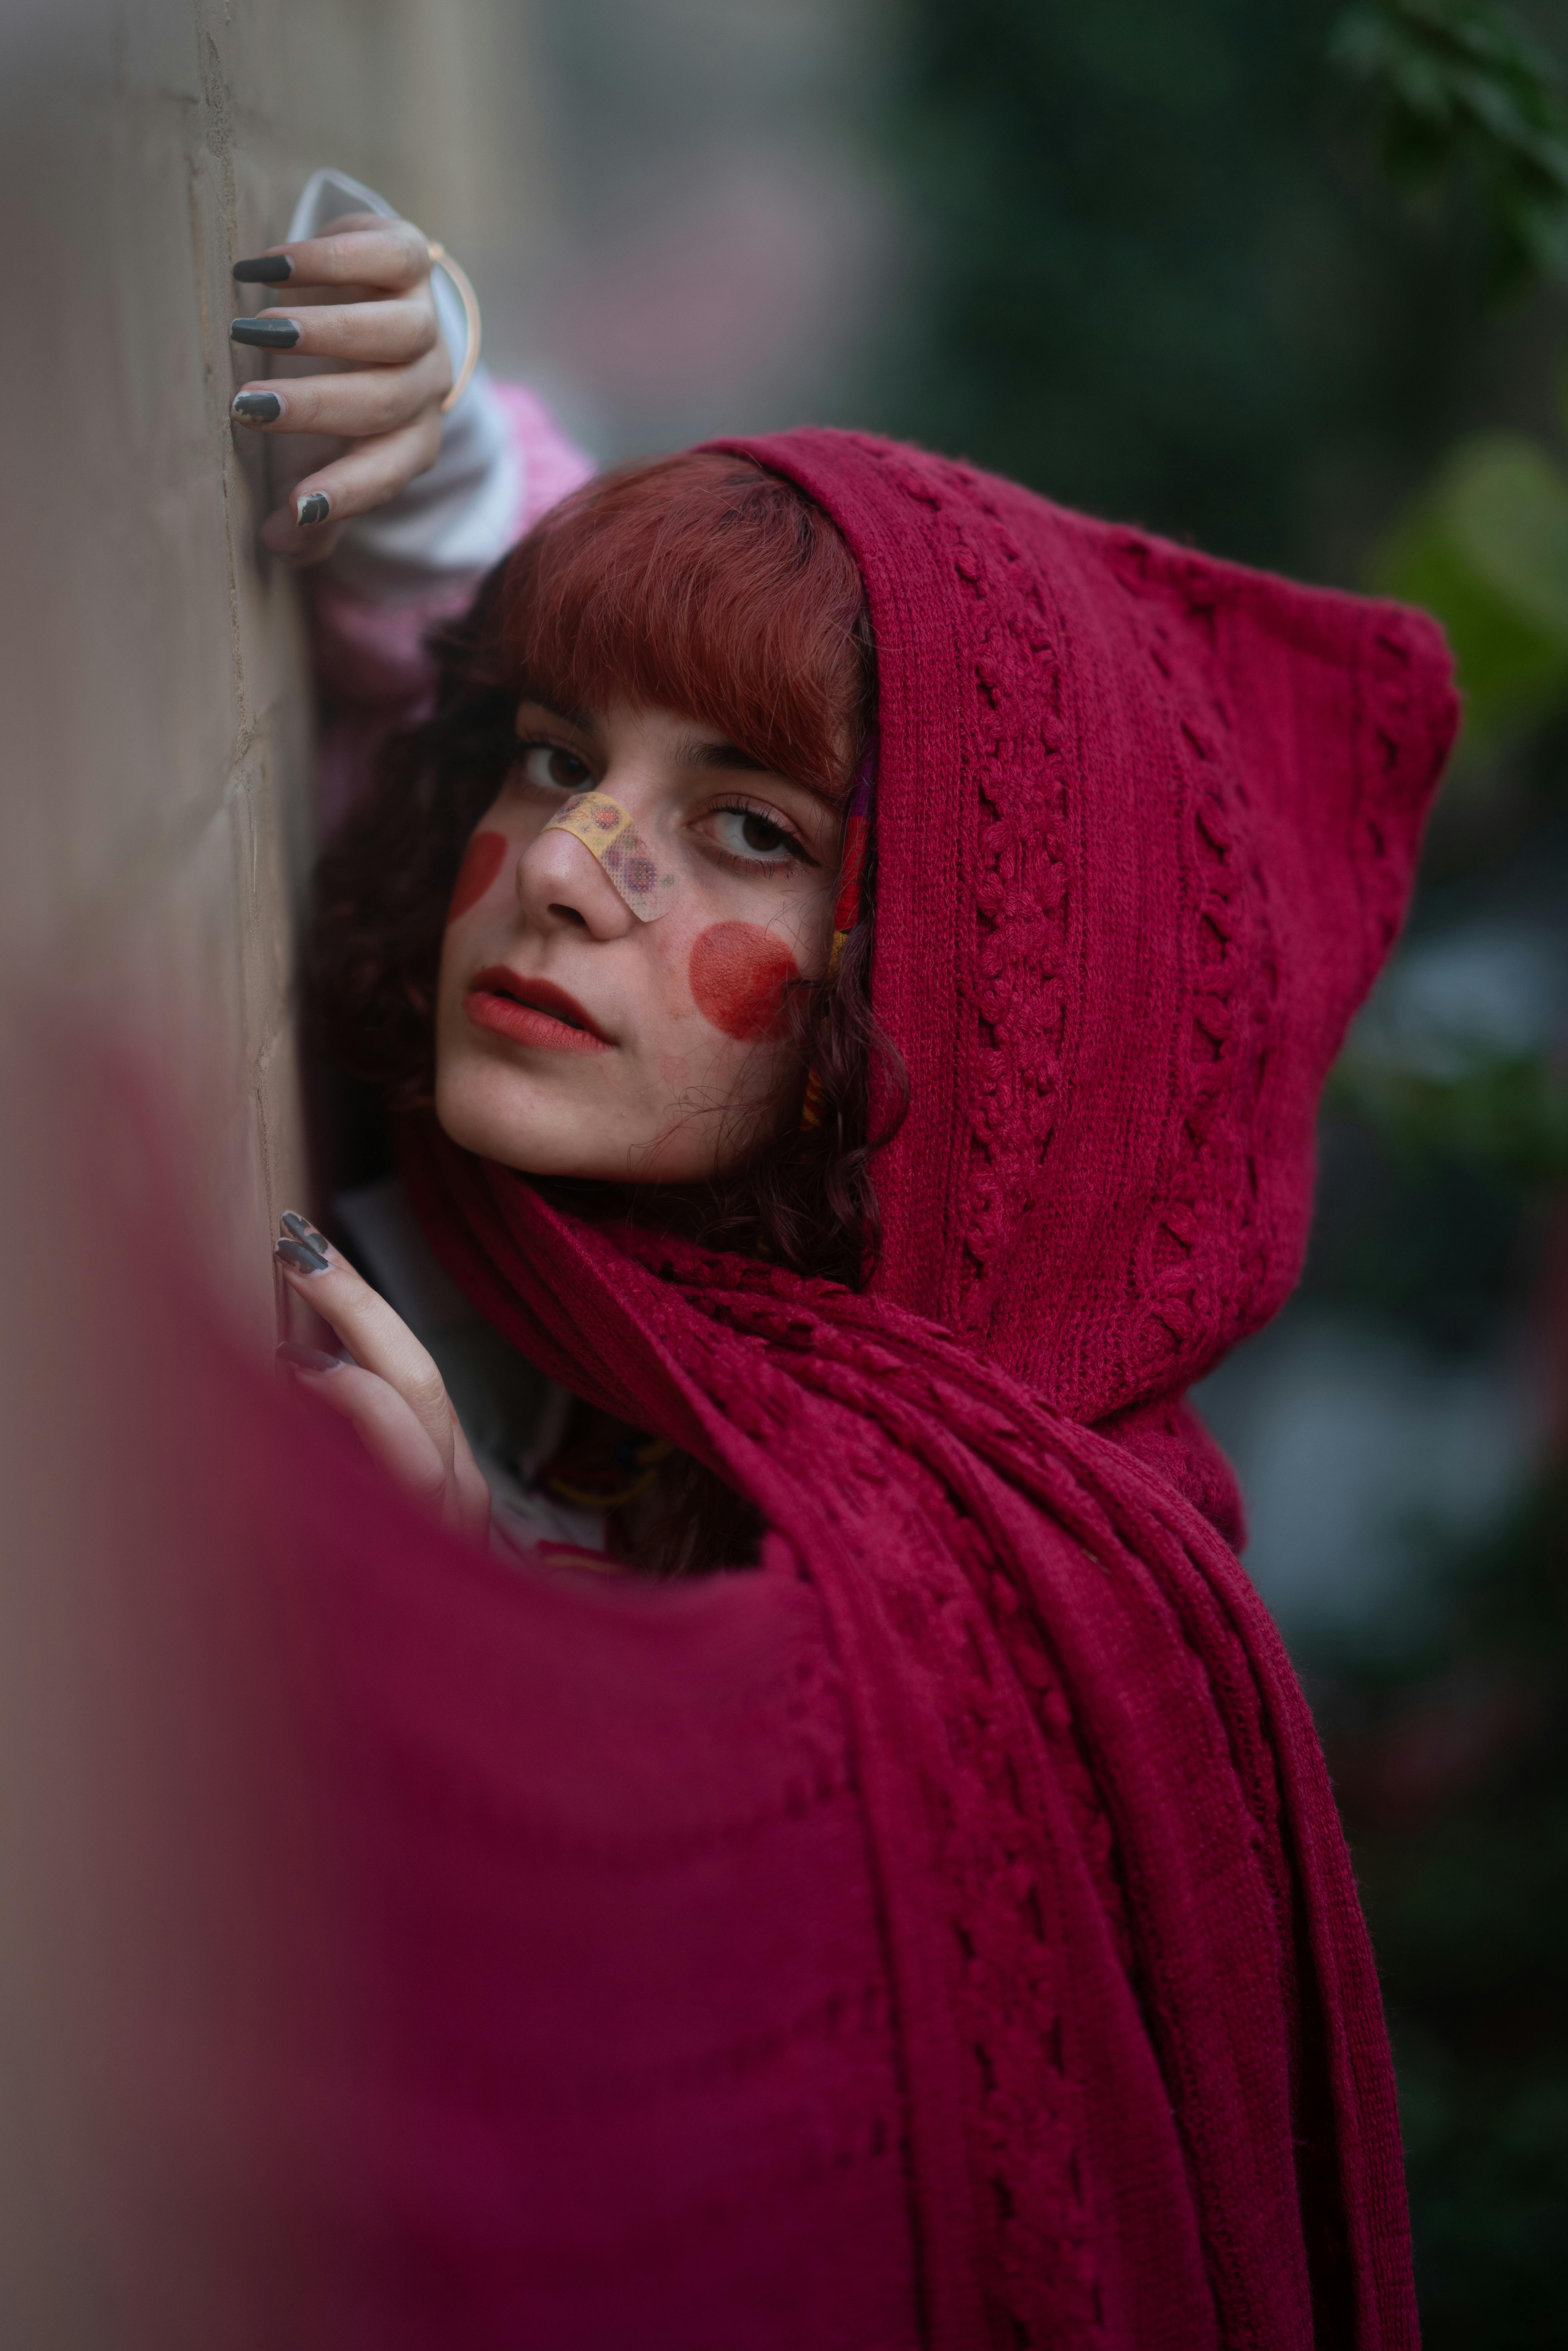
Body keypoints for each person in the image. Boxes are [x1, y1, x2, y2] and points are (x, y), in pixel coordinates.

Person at [220, 180, 1458, 2345]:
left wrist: (489, 1651)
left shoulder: (1081, 1618)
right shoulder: (465, 1230)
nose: (573, 871)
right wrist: (428, 479)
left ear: (974, 1005)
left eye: (751, 831)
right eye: (551, 756)